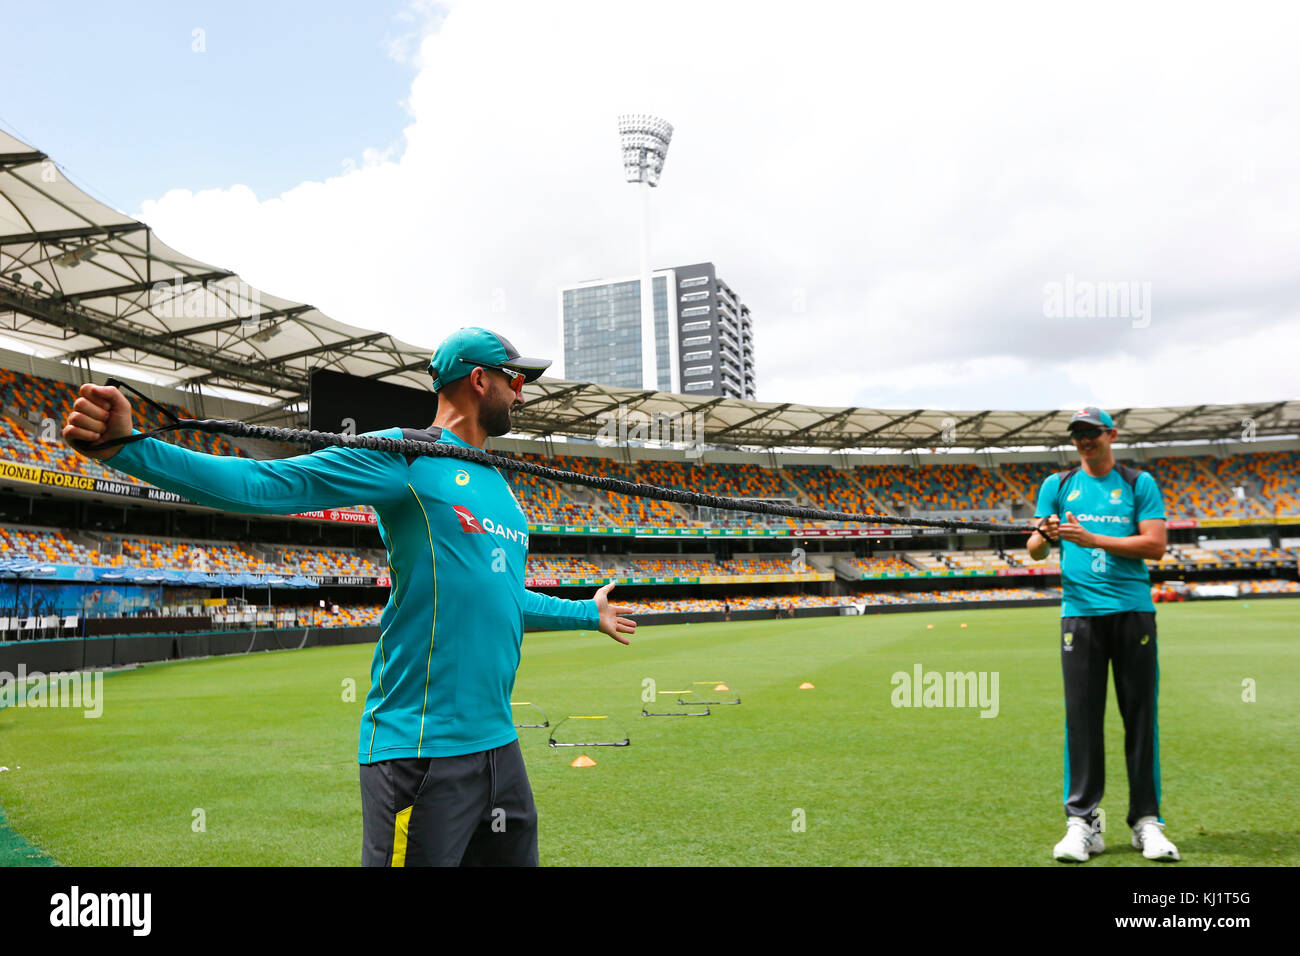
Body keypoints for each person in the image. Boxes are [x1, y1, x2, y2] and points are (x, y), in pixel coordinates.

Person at [63, 326, 637, 867]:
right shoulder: (406, 455)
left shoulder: (503, 491)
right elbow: (269, 486)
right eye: (515, 378)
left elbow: (504, 598)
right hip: (420, 750)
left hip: (500, 749)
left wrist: (587, 613)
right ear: (479, 379)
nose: (522, 391)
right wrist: (129, 449)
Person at [1026, 406, 1179, 863]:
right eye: (1077, 434)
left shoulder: (1138, 483)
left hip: (1132, 612)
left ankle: (1146, 822)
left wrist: (1094, 539)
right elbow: (1034, 551)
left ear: (1111, 434)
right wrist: (1047, 533)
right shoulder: (1056, 485)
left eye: (1092, 432)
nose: (1084, 440)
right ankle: (1083, 824)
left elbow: (1155, 546)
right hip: (1080, 615)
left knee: (1140, 718)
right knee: (1082, 720)